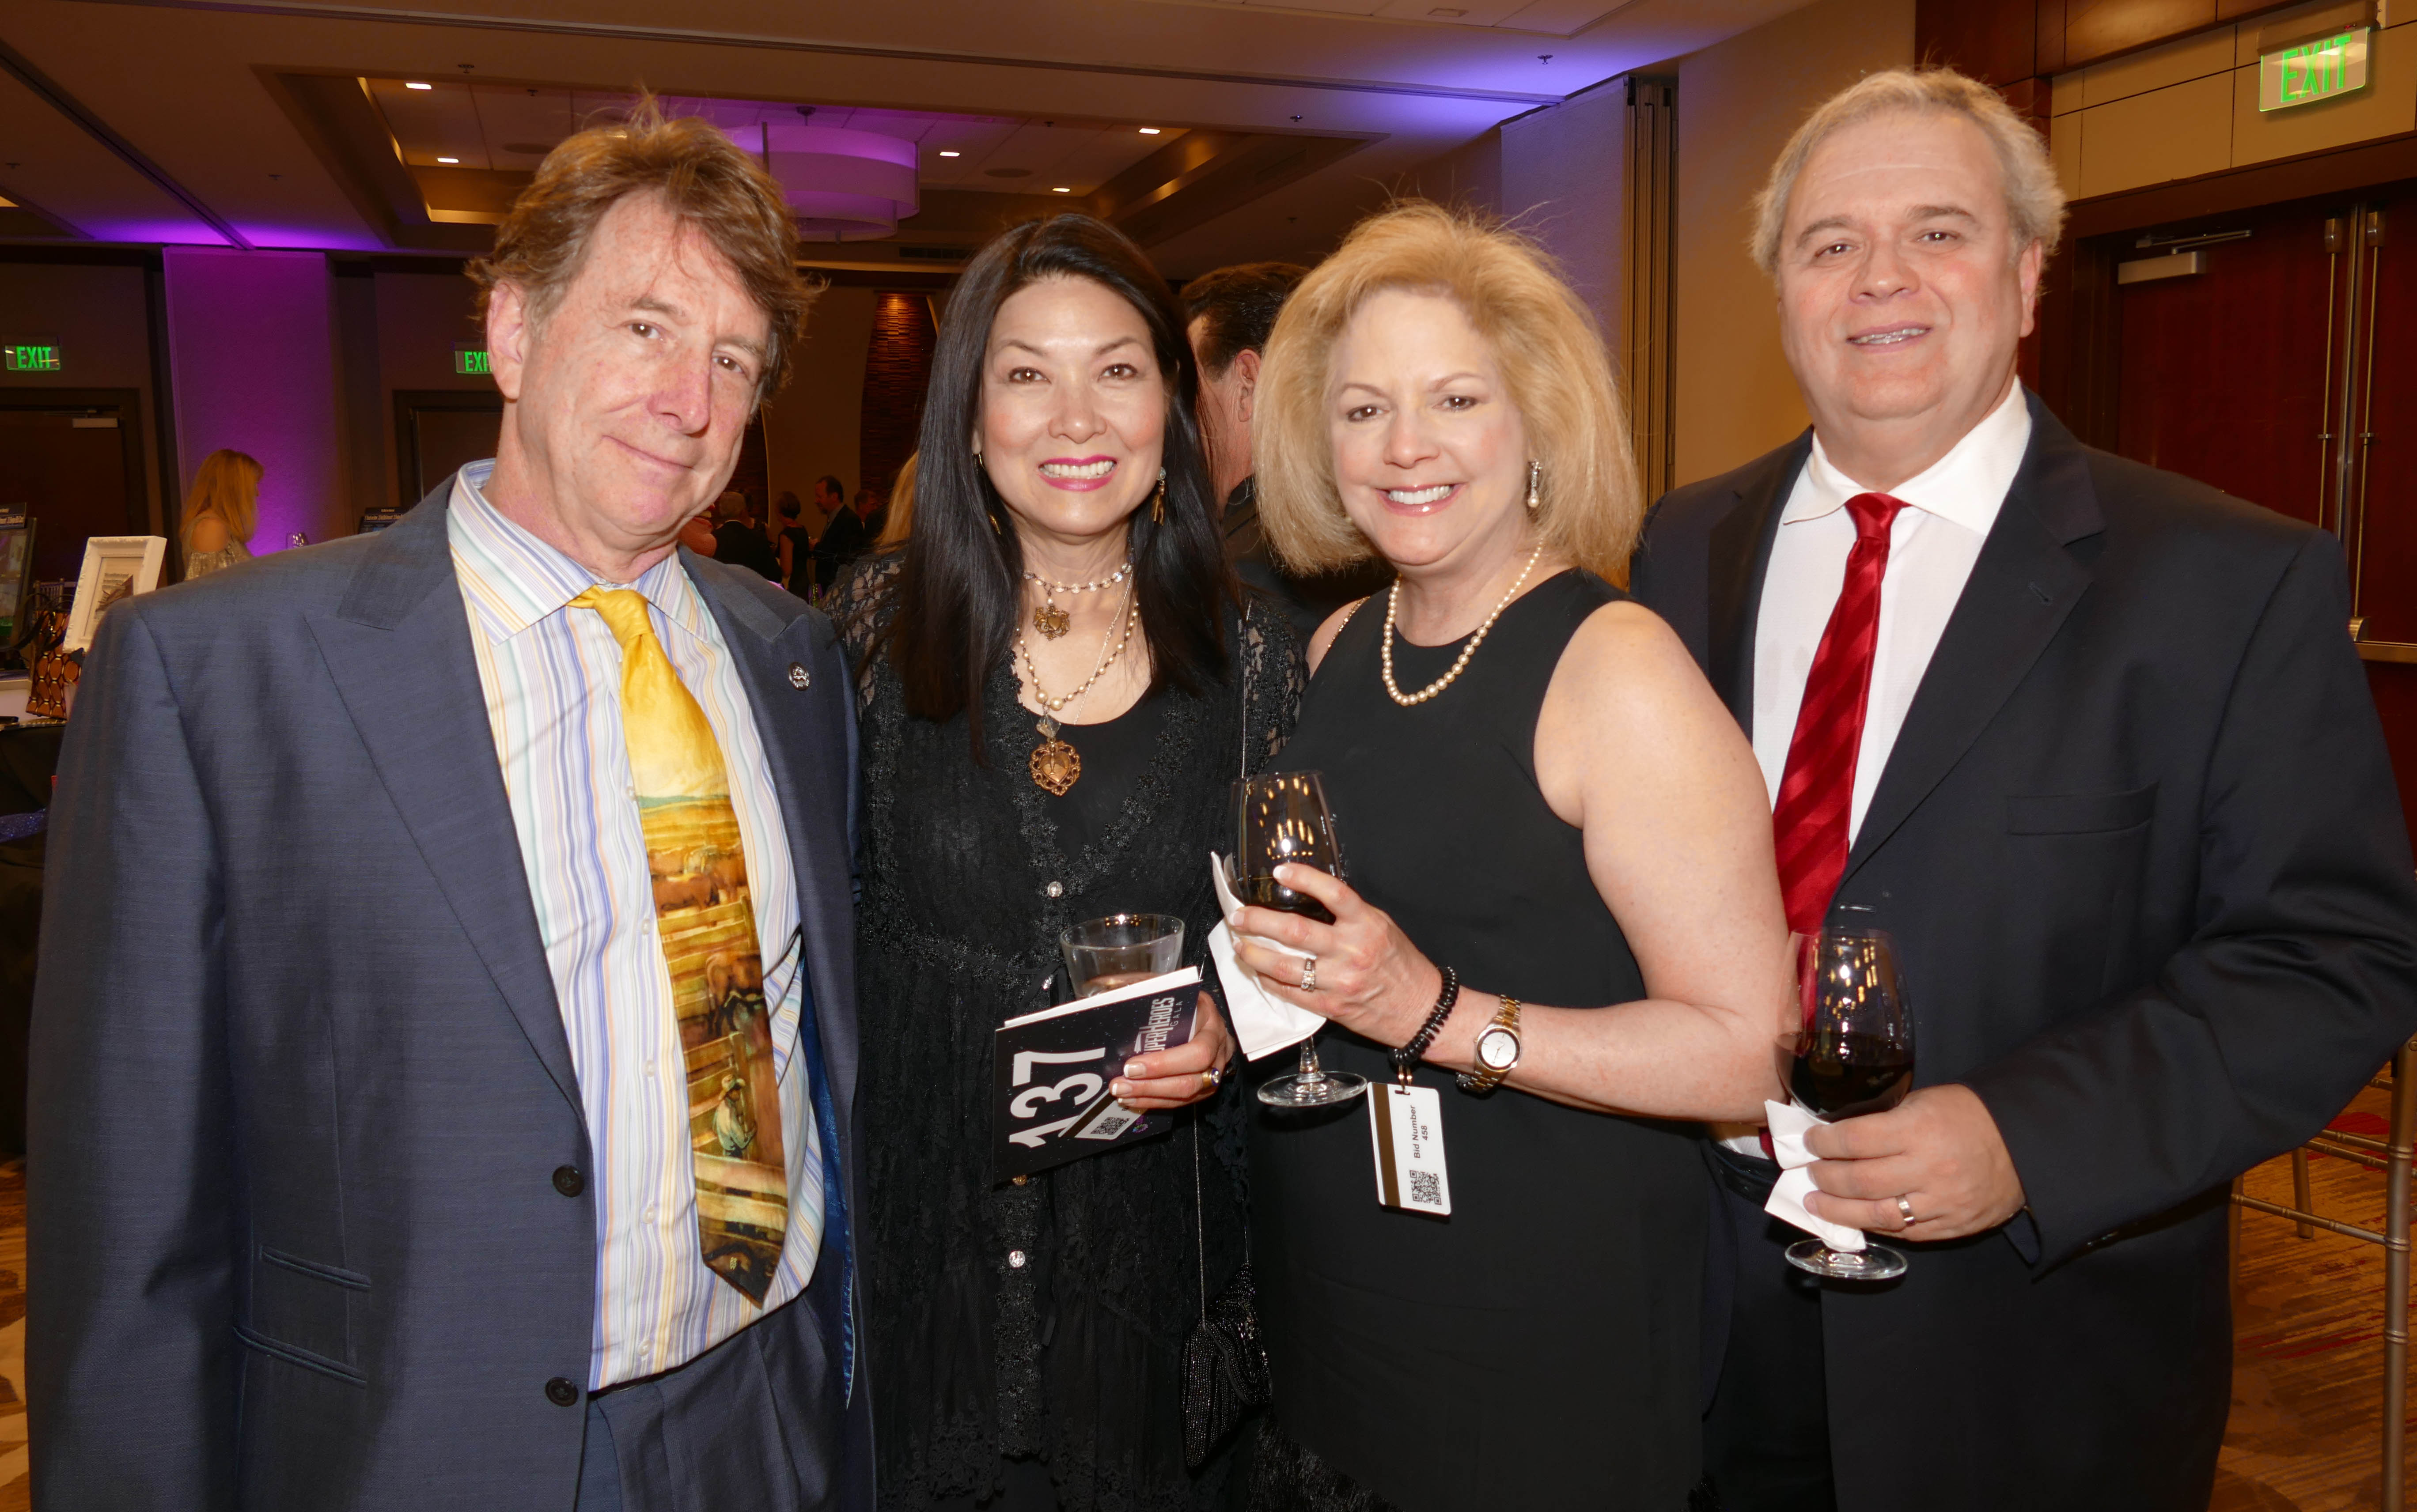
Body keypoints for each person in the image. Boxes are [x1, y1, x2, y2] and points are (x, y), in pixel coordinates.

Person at [28, 99, 871, 1510]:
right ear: (518, 328)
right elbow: (129, 1220)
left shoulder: (792, 657)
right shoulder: (220, 671)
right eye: (647, 327)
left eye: (735, 359)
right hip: (419, 1448)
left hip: (761, 1414)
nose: (693, 401)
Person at [1628, 67, 2417, 1512]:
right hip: (1696, 1314)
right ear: (1781, 286)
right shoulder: (1681, 551)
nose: (1880, 280)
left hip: (2019, 1353)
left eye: (1938, 231)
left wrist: (2028, 1138)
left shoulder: (2228, 581)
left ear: (2028, 273)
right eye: (1829, 242)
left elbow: (2329, 958)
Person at [1232, 201, 1792, 1510]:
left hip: (1549, 1305)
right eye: (1363, 407)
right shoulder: (1342, 644)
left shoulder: (1617, 667)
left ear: (1538, 423)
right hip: (1356, 1277)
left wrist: (1436, 1013)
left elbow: (1744, 1045)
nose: (1406, 446)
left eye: (1455, 399)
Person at [827, 212, 1301, 1512]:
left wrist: (1231, 1021)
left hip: (1153, 1283)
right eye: (1027, 372)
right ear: (970, 418)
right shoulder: (865, 636)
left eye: (1120, 369)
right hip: (927, 1275)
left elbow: (1304, 940)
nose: (1075, 415)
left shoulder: (1257, 661)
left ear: (1174, 407)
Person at [1183, 263, 1388, 641]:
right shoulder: (1389, 524)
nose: (1174, 413)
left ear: (1246, 385)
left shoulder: (1243, 573)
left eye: (1185, 388)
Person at [178, 447, 261, 580]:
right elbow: (207, 593)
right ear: (235, 487)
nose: (257, 492)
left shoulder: (220, 526)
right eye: (253, 484)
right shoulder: (211, 528)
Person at [811, 483, 874, 592]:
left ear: (834, 497)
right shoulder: (835, 518)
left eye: (819, 497)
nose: (816, 501)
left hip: (839, 589)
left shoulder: (848, 519)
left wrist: (817, 547)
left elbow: (844, 557)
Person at [712, 488, 783, 579]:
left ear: (721, 512)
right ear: (743, 512)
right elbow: (776, 575)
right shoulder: (759, 538)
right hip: (755, 591)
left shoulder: (713, 539)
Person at [775, 490, 815, 591]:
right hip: (805, 582)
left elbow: (787, 570)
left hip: (793, 587)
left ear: (780, 511)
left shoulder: (786, 535)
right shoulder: (802, 529)